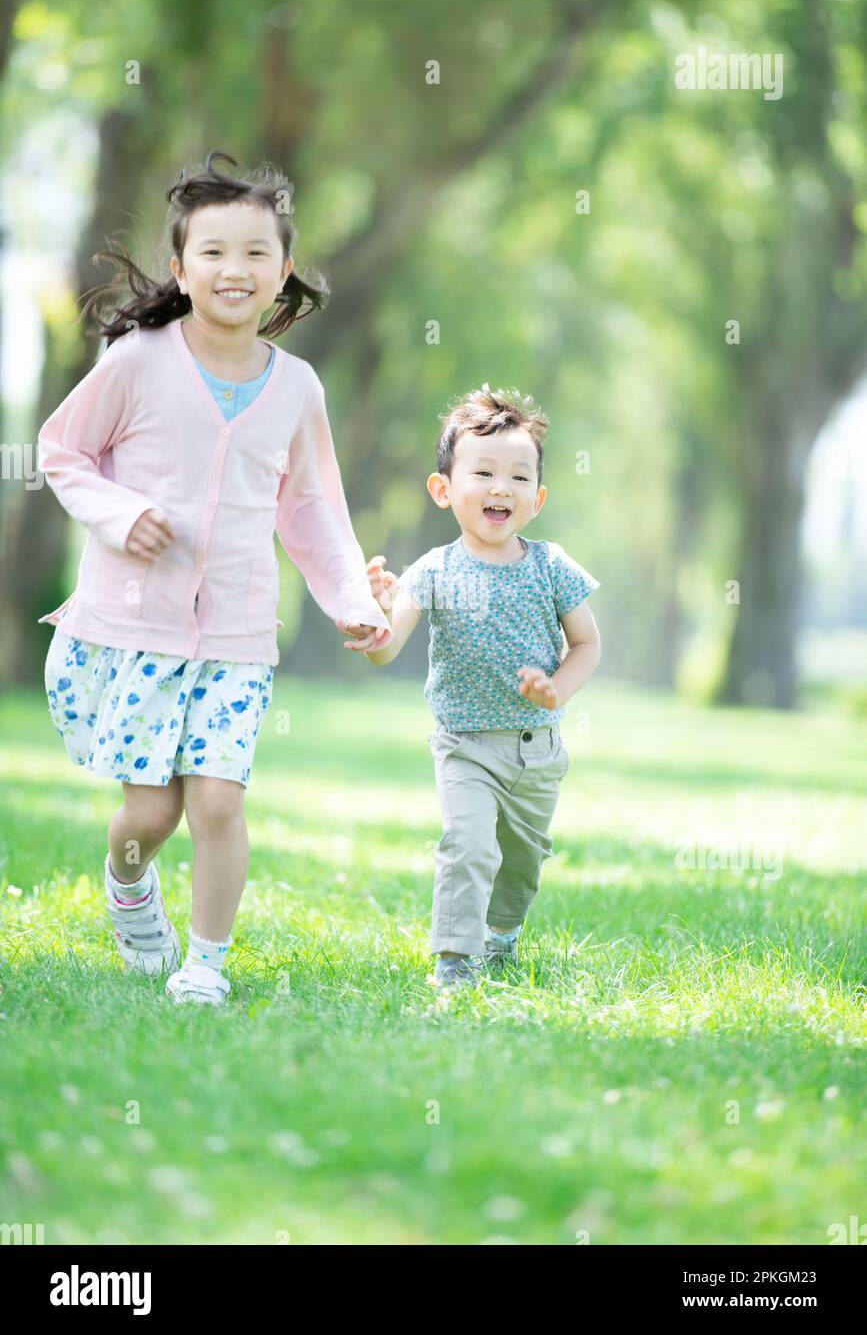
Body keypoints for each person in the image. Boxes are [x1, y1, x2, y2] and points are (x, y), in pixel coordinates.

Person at [37, 151, 391, 1006]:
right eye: (214, 253)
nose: (236, 269)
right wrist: (121, 516)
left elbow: (311, 510)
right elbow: (62, 451)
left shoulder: (296, 388)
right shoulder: (137, 360)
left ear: (284, 272)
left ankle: (204, 965)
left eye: (256, 254)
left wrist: (353, 603)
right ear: (181, 269)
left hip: (236, 638)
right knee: (151, 817)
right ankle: (128, 887)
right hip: (137, 627)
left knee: (219, 806)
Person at [353, 385, 600, 987]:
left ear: (536, 499)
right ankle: (455, 961)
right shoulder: (433, 570)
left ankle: (502, 936)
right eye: (483, 472)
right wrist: (377, 617)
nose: (500, 487)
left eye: (518, 478)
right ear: (444, 490)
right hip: (464, 744)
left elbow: (588, 645)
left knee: (519, 864)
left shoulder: (552, 567)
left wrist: (556, 691)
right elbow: (389, 648)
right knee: (468, 845)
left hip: (536, 749)